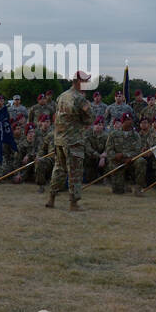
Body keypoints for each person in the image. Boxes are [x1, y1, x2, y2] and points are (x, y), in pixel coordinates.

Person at [48, 71, 91, 210]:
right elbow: (89, 118)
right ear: (79, 81)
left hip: (59, 140)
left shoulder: (62, 96)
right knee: (75, 172)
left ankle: (51, 198)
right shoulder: (80, 99)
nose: (87, 84)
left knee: (59, 169)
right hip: (73, 141)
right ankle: (73, 203)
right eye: (85, 81)